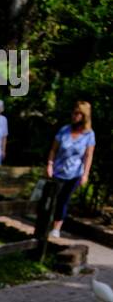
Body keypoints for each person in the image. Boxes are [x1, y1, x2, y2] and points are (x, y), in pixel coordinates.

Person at [46, 100, 96, 238]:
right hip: (58, 171)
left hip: (74, 173)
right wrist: (50, 165)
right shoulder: (64, 130)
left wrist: (85, 174)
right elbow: (53, 150)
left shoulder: (89, 134)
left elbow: (88, 156)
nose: (75, 116)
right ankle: (45, 222)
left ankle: (56, 228)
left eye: (78, 114)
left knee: (63, 200)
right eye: (74, 113)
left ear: (84, 116)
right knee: (52, 198)